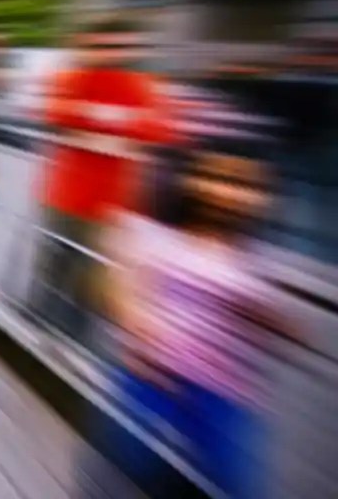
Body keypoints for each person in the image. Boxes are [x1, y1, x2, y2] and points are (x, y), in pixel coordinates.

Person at [99, 149, 296, 499]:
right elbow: (117, 282)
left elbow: (272, 321)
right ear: (193, 182)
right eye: (218, 179)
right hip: (153, 375)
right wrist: (136, 321)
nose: (228, 193)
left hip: (223, 392)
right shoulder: (159, 235)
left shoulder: (257, 259)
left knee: (233, 483)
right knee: (124, 469)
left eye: (245, 186)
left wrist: (272, 320)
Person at [32, 15, 170, 345]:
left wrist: (88, 124)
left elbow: (157, 131)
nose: (110, 52)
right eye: (102, 45)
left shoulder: (141, 86)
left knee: (92, 282)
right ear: (88, 45)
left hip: (111, 208)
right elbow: (54, 115)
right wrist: (116, 130)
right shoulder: (71, 78)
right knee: (53, 265)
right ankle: (37, 332)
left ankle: (72, 344)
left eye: (118, 45)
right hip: (63, 197)